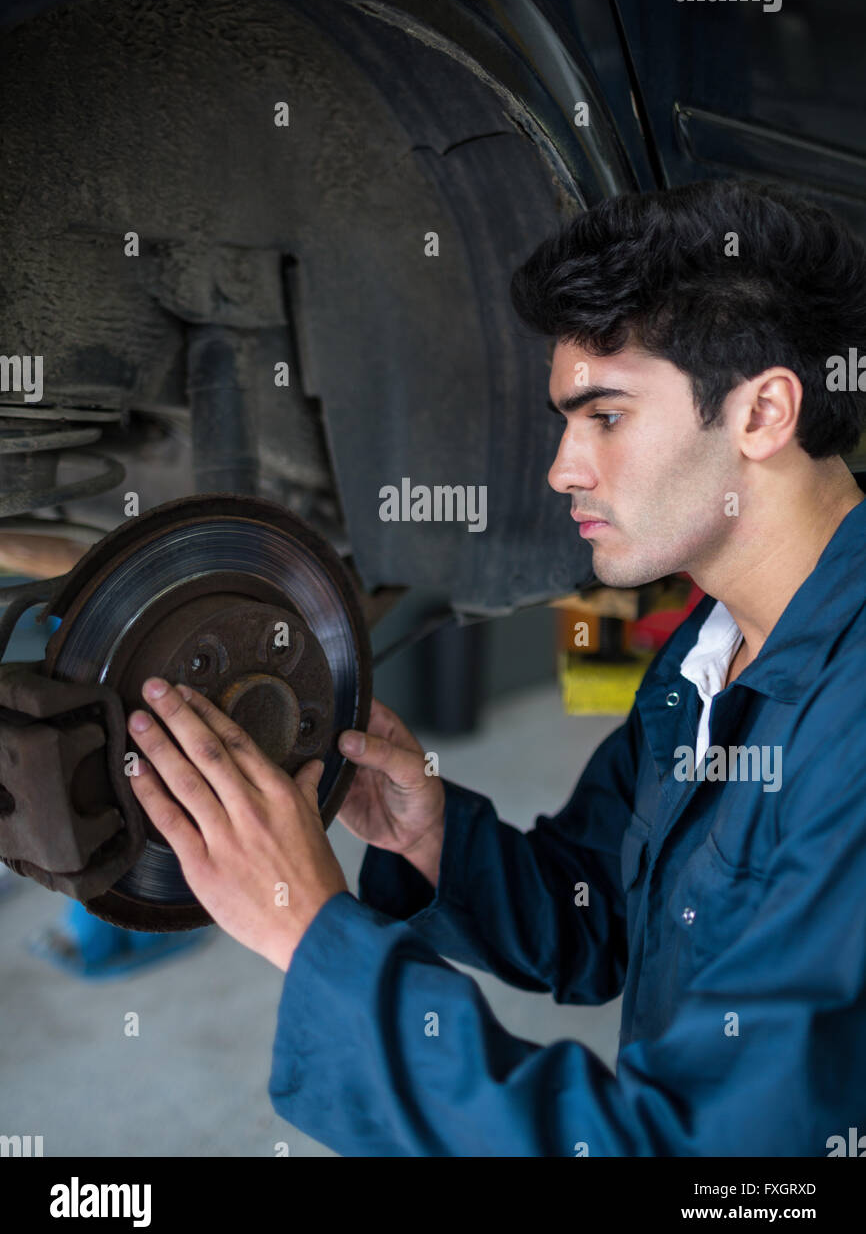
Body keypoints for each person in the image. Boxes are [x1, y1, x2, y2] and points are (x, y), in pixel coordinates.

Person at [124, 178, 866, 1155]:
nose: (561, 467)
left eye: (602, 416)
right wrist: (438, 837)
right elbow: (609, 913)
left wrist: (311, 935)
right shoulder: (710, 649)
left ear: (761, 411)